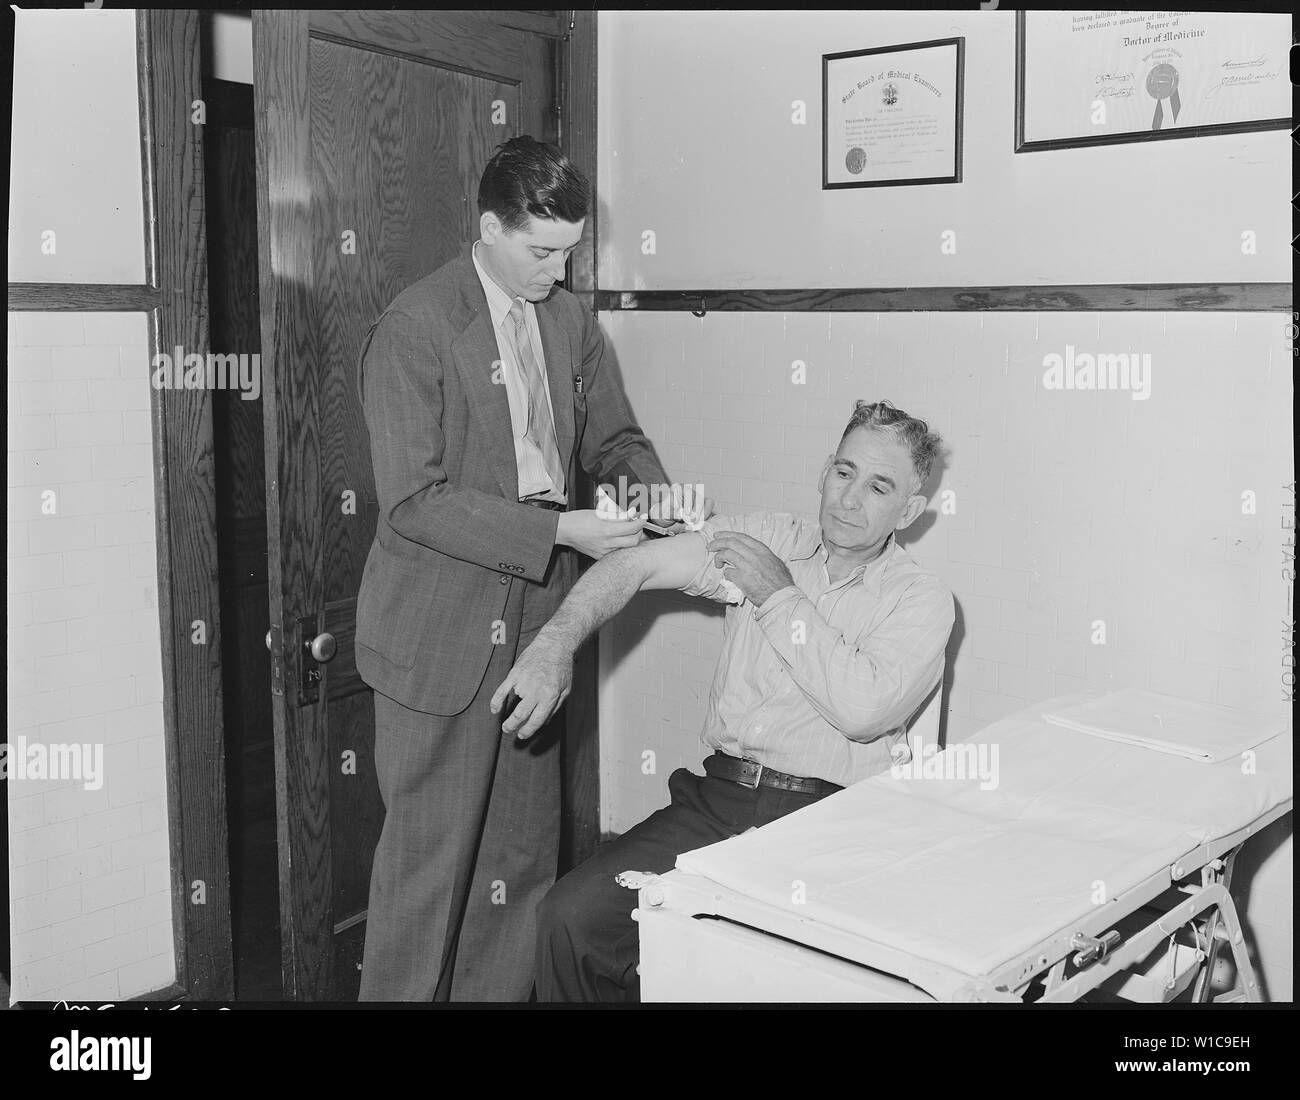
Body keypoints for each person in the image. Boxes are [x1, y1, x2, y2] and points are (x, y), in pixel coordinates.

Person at [355, 136, 681, 1001]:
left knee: (519, 862)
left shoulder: (569, 320)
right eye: (541, 251)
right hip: (439, 630)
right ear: (490, 227)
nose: (558, 270)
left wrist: (648, 497)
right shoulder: (416, 327)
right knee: (427, 877)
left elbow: (614, 438)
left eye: (571, 250)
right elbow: (413, 501)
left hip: (541, 617)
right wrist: (563, 528)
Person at [491, 399, 956, 1001]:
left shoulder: (921, 599)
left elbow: (861, 710)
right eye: (844, 472)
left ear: (910, 511)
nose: (849, 498)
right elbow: (634, 567)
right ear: (824, 471)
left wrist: (779, 595)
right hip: (718, 800)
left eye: (878, 486)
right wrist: (555, 642)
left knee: (759, 969)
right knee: (570, 917)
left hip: (829, 823)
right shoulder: (766, 538)